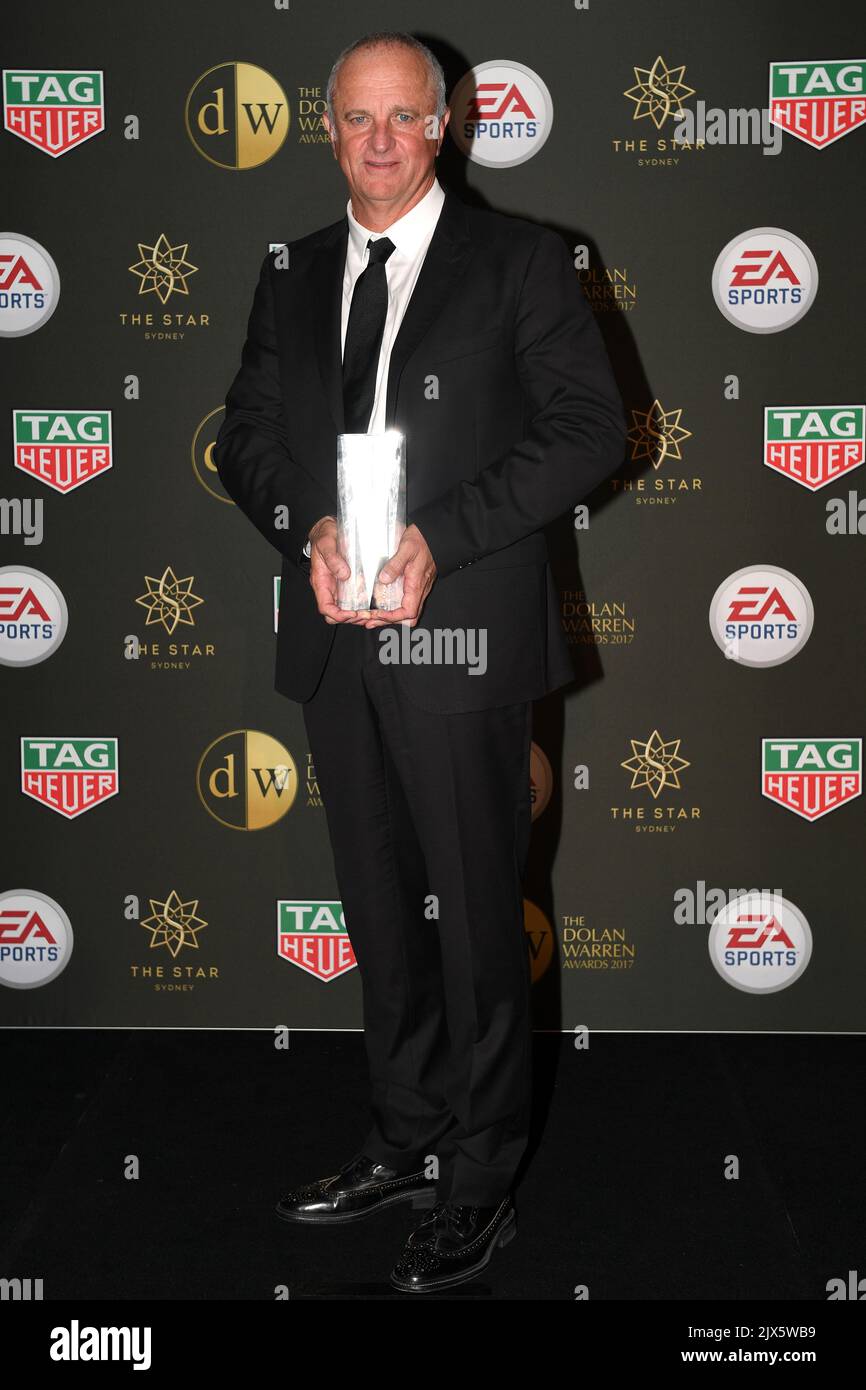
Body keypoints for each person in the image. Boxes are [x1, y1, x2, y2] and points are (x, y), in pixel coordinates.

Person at [214, 29, 626, 1294]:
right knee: (380, 917)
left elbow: (587, 434)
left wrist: (439, 540)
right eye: (357, 118)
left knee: (476, 935)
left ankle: (482, 1176)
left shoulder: (520, 261)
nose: (380, 140)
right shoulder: (291, 276)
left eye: (405, 117)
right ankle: (405, 1135)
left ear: (442, 125)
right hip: (335, 642)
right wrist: (312, 526)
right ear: (325, 129)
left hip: (462, 642)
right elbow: (243, 441)